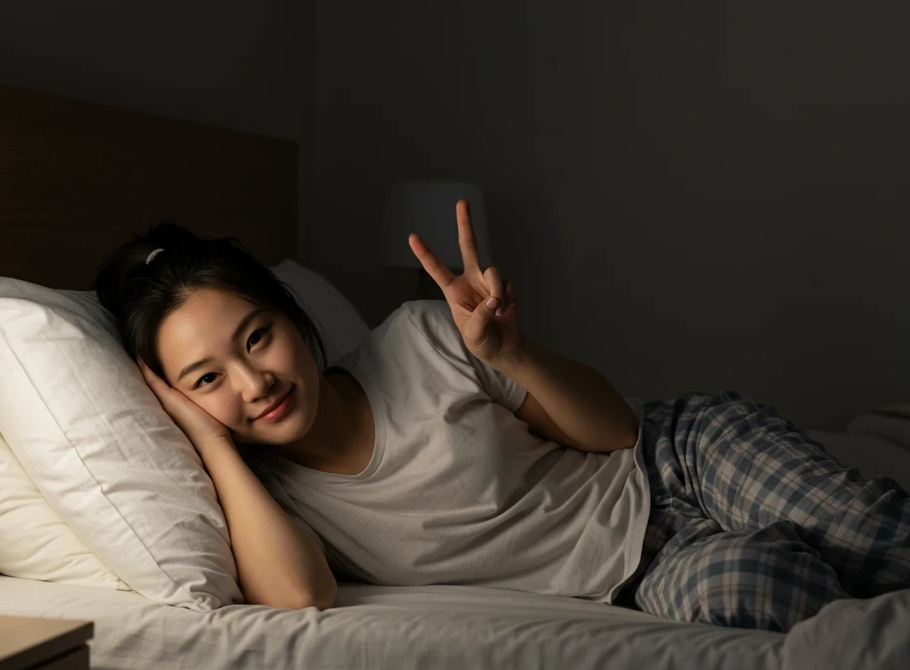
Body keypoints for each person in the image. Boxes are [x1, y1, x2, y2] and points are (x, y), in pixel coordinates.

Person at [92, 201, 910, 630]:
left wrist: (510, 352)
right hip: (635, 575)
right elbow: (303, 598)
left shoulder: (417, 339)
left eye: (257, 337)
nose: (253, 381)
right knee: (769, 586)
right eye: (207, 378)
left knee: (872, 535)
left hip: (675, 458)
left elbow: (618, 435)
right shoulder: (277, 503)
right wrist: (210, 441)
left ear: (289, 313)